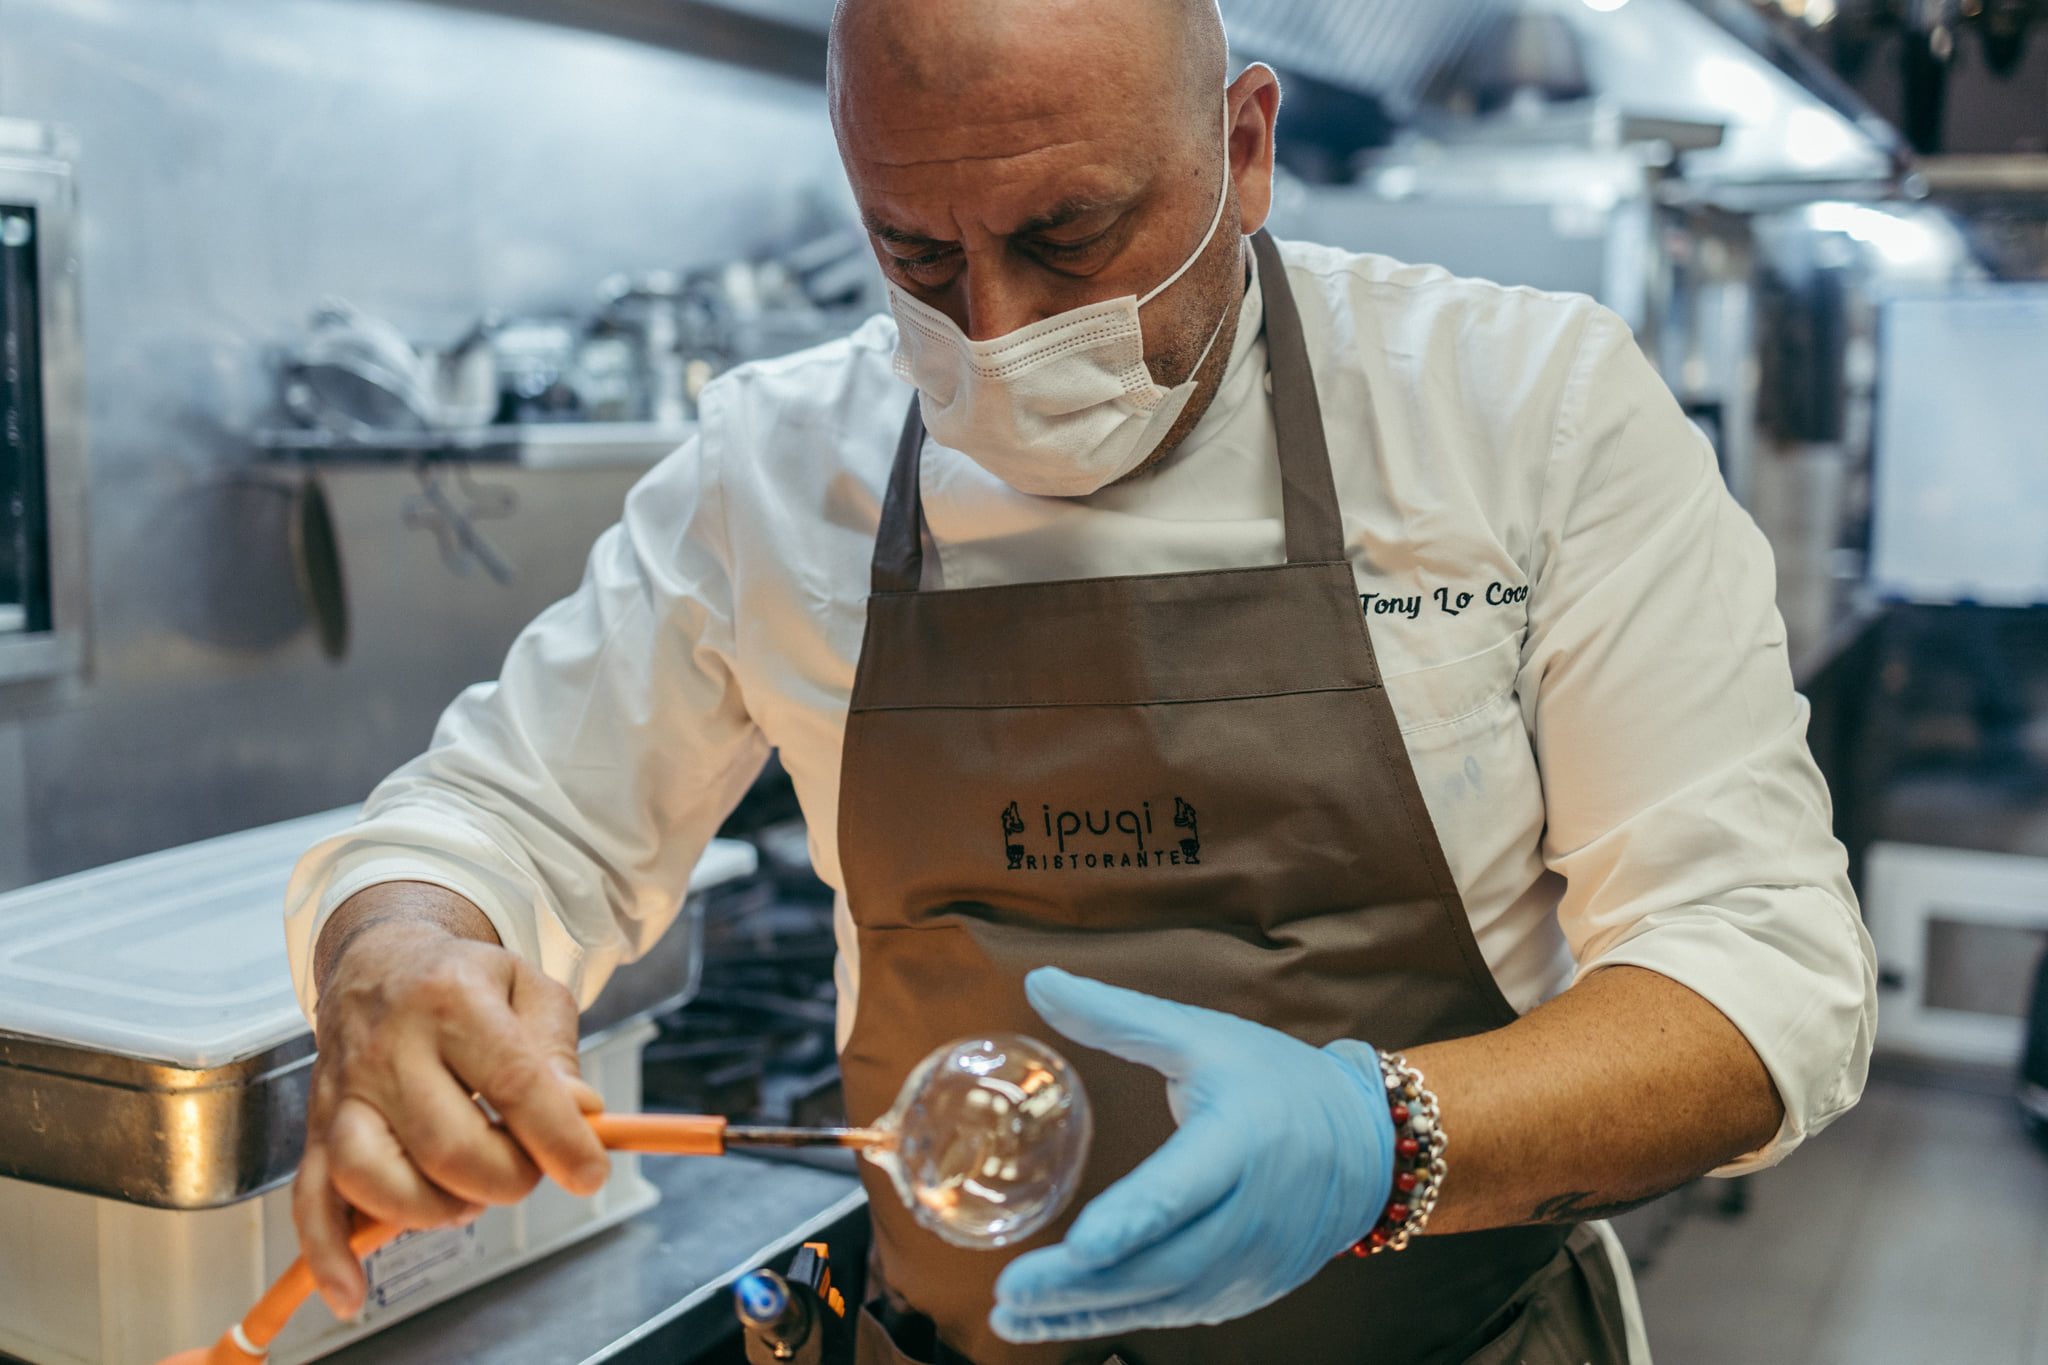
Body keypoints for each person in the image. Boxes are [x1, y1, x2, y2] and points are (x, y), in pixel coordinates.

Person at [282, 1, 1878, 1360]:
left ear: (1243, 149)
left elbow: (1761, 974)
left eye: (1067, 238)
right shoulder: (777, 467)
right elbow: (502, 816)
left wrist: (1380, 1138)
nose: (994, 332)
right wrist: (398, 946)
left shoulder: (1522, 409)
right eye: (916, 253)